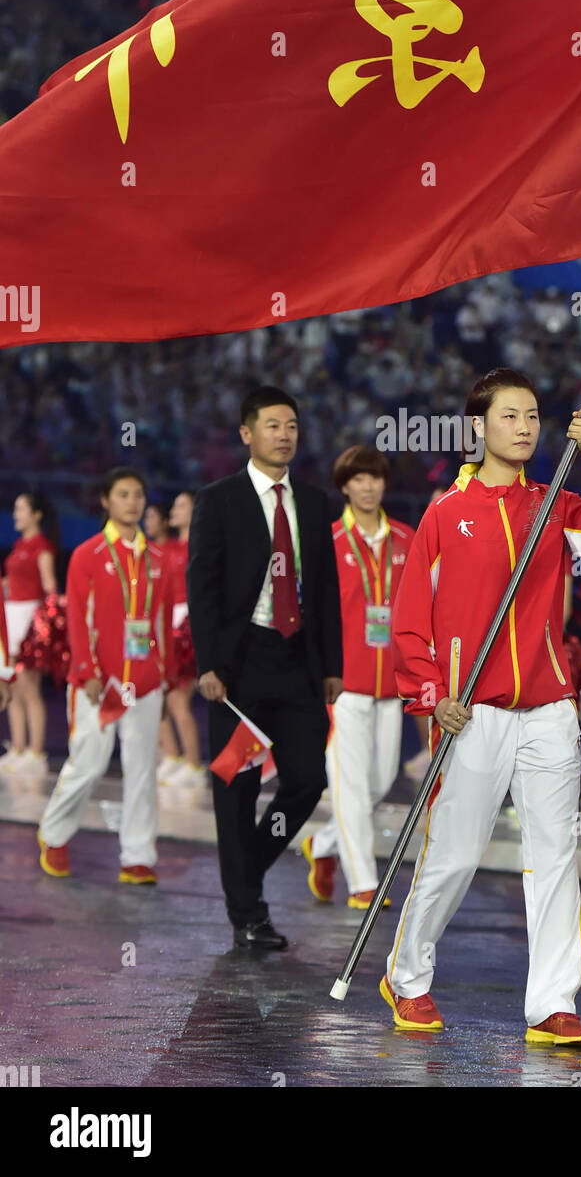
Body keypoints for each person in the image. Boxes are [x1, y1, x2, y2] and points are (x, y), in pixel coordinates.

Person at [379, 368, 581, 1042]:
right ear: (478, 427)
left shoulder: (553, 504)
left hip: (549, 710)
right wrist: (432, 697)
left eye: (532, 416)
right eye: (510, 416)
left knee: (553, 857)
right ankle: (407, 978)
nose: (524, 427)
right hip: (472, 713)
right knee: (455, 857)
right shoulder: (443, 514)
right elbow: (409, 621)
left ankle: (553, 1004)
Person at [187, 386, 343, 950]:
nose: (285, 434)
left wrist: (332, 664)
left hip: (298, 660)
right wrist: (209, 663)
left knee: (305, 780)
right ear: (247, 433)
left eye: (292, 425)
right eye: (273, 425)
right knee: (237, 786)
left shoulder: (316, 501)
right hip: (238, 666)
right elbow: (201, 587)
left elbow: (325, 589)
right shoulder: (219, 499)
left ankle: (244, 868)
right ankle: (248, 913)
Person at [38, 468, 176, 882]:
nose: (132, 502)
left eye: (138, 495)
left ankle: (137, 855)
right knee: (89, 764)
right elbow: (77, 619)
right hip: (99, 681)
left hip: (145, 682)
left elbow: (161, 624)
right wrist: (86, 669)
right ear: (106, 501)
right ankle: (55, 834)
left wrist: (164, 677)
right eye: (123, 494)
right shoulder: (88, 554)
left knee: (142, 768)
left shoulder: (158, 560)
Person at [302, 445, 415, 908]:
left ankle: (323, 845)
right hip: (342, 686)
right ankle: (364, 883)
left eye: (375, 478)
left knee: (380, 781)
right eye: (358, 479)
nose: (368, 487)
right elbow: (310, 617)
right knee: (349, 787)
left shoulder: (408, 541)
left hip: (391, 685)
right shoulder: (326, 543)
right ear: (344, 486)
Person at [0, 491, 58, 775]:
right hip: (10, 617)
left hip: (29, 621)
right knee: (11, 687)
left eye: (21, 509)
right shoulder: (18, 545)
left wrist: (43, 628)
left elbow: (49, 587)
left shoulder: (41, 546)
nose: (15, 514)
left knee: (29, 688)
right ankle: (19, 748)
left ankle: (36, 752)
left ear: (36, 515)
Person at [157, 489, 206, 788]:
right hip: (169, 624)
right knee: (164, 698)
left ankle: (194, 764)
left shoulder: (201, 547)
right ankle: (173, 757)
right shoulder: (169, 548)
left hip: (190, 623)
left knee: (179, 699)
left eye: (180, 505)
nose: (174, 510)